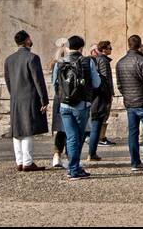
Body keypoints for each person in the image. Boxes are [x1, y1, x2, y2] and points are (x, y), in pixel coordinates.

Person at [53, 34, 101, 180]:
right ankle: (73, 169)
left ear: (68, 47)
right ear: (81, 47)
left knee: (71, 136)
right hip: (81, 104)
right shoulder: (87, 61)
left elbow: (55, 83)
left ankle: (74, 167)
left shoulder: (60, 63)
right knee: (77, 137)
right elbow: (97, 83)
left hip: (64, 104)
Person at [3, 30, 49, 171]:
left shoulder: (9, 59)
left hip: (16, 97)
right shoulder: (32, 57)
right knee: (27, 130)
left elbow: (8, 80)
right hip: (29, 97)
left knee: (17, 131)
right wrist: (44, 99)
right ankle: (28, 162)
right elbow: (38, 80)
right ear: (27, 40)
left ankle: (20, 161)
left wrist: (14, 94)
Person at [115, 36, 143, 172]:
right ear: (140, 45)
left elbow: (119, 85)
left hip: (130, 103)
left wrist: (127, 97)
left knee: (133, 134)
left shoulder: (120, 62)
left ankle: (135, 162)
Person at [87, 40, 115, 160]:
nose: (111, 49)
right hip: (100, 98)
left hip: (97, 98)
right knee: (96, 126)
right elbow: (105, 80)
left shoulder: (98, 60)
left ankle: (92, 152)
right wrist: (109, 95)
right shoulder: (103, 61)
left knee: (96, 125)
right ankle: (92, 153)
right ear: (103, 49)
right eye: (109, 47)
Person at [49, 39, 70, 169]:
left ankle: (57, 155)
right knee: (70, 129)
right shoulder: (72, 64)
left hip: (59, 98)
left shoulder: (56, 65)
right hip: (70, 98)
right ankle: (70, 156)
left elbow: (54, 83)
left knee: (60, 129)